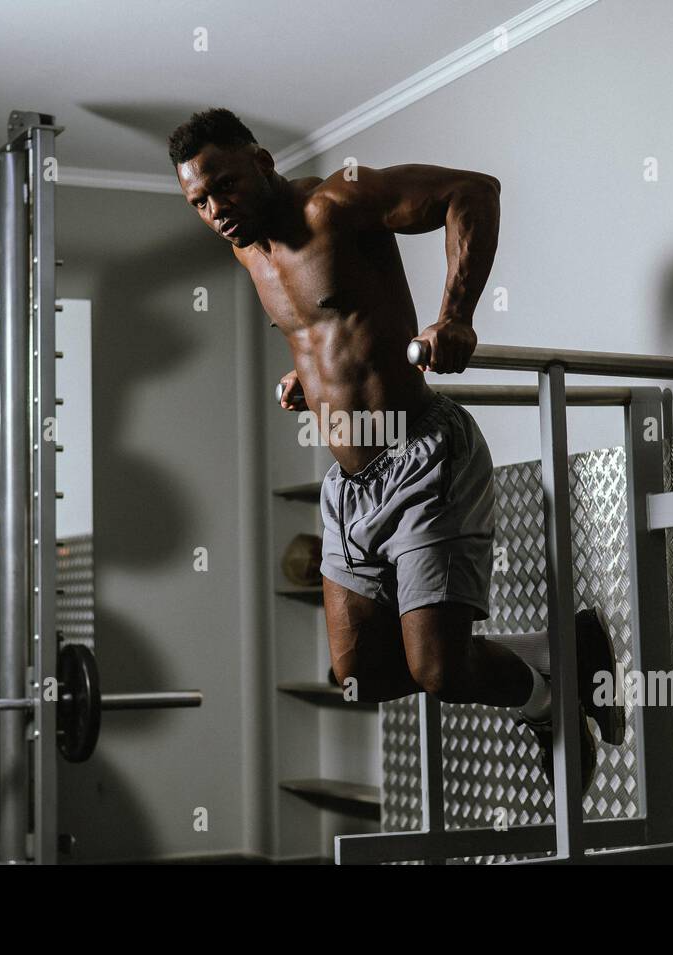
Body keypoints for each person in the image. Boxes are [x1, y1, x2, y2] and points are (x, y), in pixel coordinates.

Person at [169, 108, 624, 791]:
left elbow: (474, 191)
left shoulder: (336, 201)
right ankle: (567, 650)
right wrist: (311, 381)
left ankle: (548, 705)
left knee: (438, 670)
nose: (215, 209)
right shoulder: (248, 250)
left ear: (262, 161)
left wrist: (457, 314)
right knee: (362, 675)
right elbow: (329, 322)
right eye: (199, 201)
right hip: (349, 488)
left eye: (224, 186)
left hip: (421, 454)